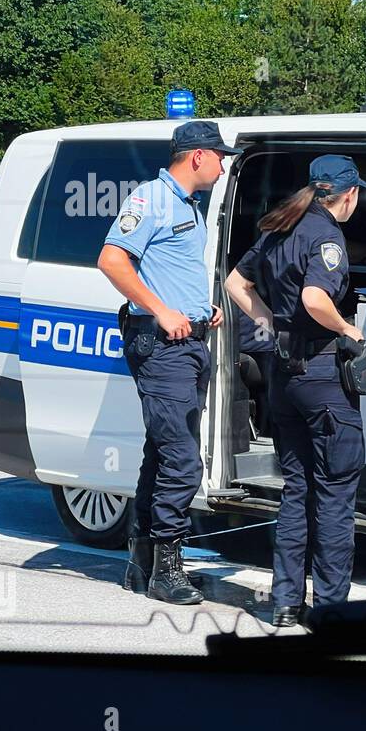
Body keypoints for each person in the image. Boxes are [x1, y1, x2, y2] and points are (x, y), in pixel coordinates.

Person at [96, 120, 239, 604]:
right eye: (219, 156)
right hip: (160, 347)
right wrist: (160, 310)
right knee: (182, 461)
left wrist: (202, 309)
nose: (223, 165)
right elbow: (112, 258)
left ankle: (141, 561)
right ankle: (167, 570)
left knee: (161, 454)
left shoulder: (190, 207)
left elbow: (171, 270)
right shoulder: (151, 199)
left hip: (189, 345)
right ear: (196, 156)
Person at [224, 156, 366, 628]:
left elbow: (235, 283)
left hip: (284, 376)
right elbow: (314, 298)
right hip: (323, 375)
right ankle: (329, 608)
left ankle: (286, 603)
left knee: (296, 492)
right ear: (346, 195)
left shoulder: (281, 226)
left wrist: (269, 324)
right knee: (334, 496)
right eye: (357, 194)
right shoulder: (326, 236)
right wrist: (350, 330)